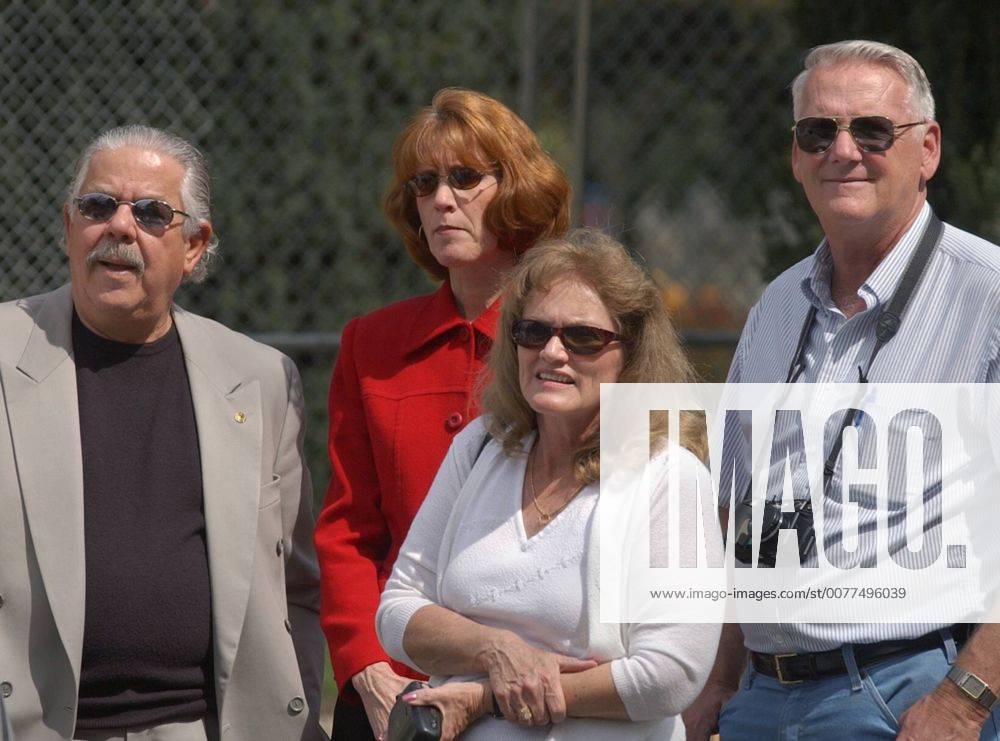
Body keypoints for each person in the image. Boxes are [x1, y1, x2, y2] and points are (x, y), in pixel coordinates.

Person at [683, 40, 1000, 740]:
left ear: (928, 149)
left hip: (909, 694)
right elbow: (749, 520)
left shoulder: (988, 295)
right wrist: (718, 682)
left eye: (872, 130)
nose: (842, 149)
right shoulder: (774, 307)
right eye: (817, 132)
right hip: (761, 699)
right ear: (796, 156)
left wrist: (965, 699)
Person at [0, 125, 326, 741]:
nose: (119, 226)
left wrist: (298, 708)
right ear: (69, 225)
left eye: (151, 213)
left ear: (194, 246)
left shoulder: (258, 379)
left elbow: (295, 590)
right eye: (98, 206)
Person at [375, 229, 722, 740]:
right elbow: (398, 612)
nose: (553, 353)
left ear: (630, 354)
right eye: (533, 332)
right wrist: (498, 650)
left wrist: (487, 695)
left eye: (583, 337)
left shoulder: (669, 473)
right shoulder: (479, 447)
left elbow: (670, 674)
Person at [313, 88, 571, 739]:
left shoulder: (579, 341)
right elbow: (348, 529)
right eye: (425, 183)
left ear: (514, 189)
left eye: (464, 178)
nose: (441, 200)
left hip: (538, 684)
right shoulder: (370, 345)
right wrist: (365, 665)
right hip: (394, 684)